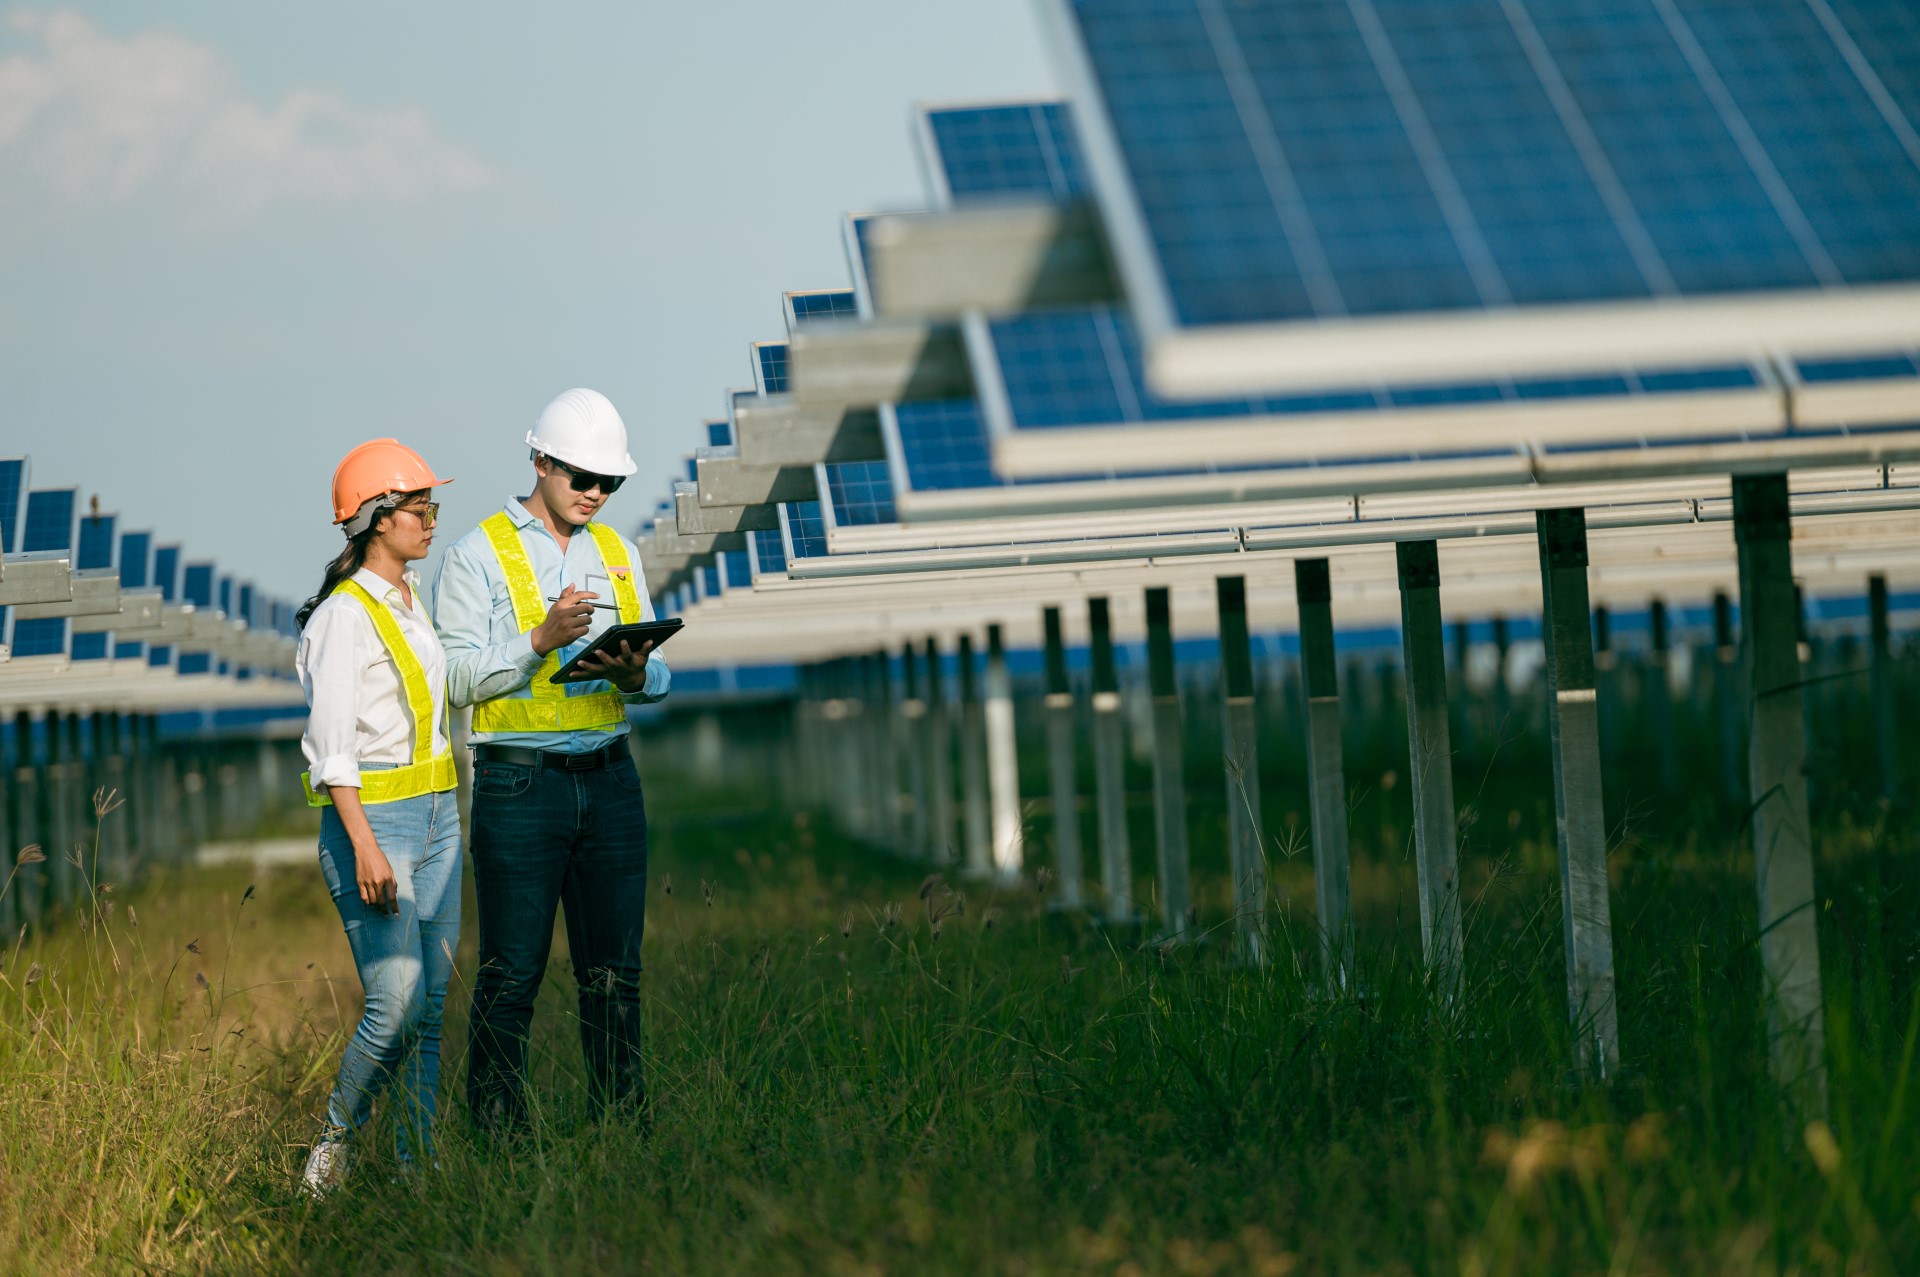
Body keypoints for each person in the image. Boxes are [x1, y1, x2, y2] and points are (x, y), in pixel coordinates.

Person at [433, 387, 670, 1135]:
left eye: (611, 483)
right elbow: (457, 680)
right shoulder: (475, 556)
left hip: (610, 778)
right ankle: (499, 1138)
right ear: (540, 461)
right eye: (583, 478)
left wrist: (635, 671)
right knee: (510, 977)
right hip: (517, 786)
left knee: (615, 975)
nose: (597, 494)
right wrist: (537, 640)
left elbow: (656, 676)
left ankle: (622, 1128)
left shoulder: (620, 552)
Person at [294, 439, 459, 1195]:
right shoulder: (341, 618)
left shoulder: (407, 599)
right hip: (378, 827)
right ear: (377, 518)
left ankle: (417, 1167)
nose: (430, 520)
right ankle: (331, 1149)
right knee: (393, 1002)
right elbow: (333, 752)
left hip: (438, 821)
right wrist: (364, 845)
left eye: (430, 507)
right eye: (420, 508)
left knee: (428, 1007)